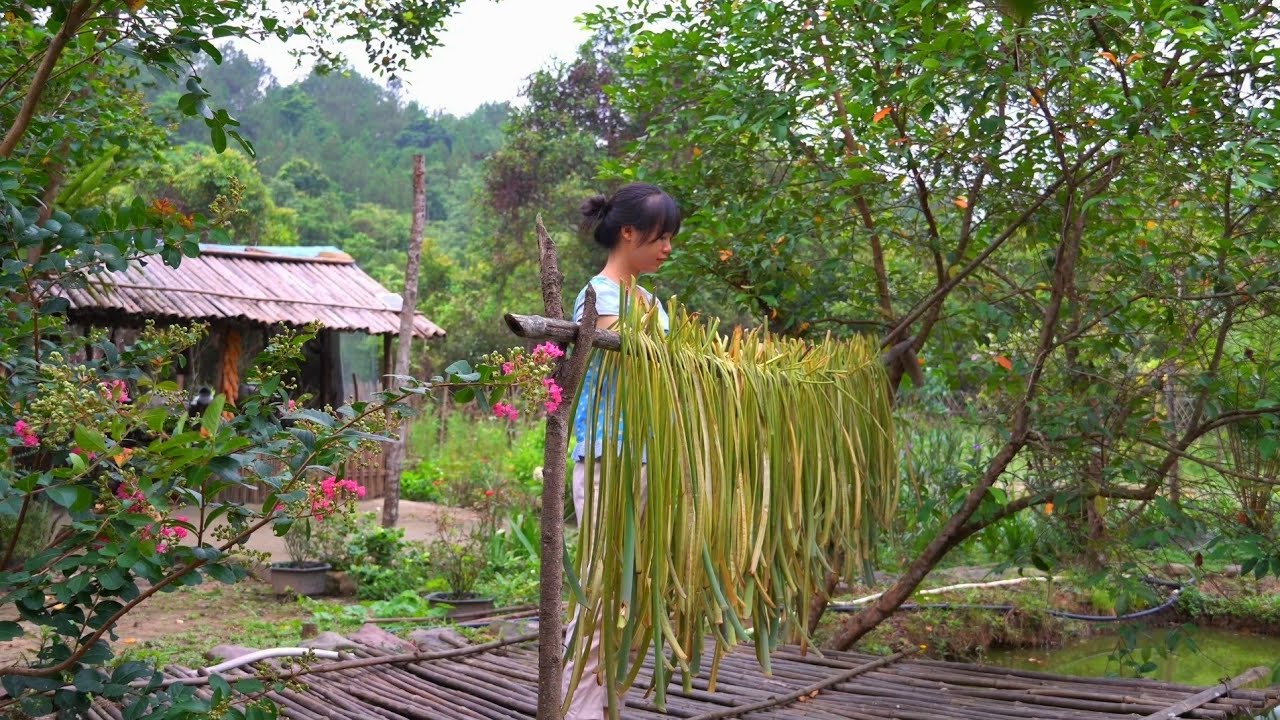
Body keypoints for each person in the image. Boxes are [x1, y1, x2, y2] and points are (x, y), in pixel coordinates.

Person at [562, 182, 680, 720]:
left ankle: (609, 706)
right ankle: (577, 708)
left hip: (650, 458)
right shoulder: (598, 297)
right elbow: (637, 360)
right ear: (628, 233)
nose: (668, 248)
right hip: (609, 458)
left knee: (635, 588)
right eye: (662, 236)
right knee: (602, 584)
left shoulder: (652, 303)